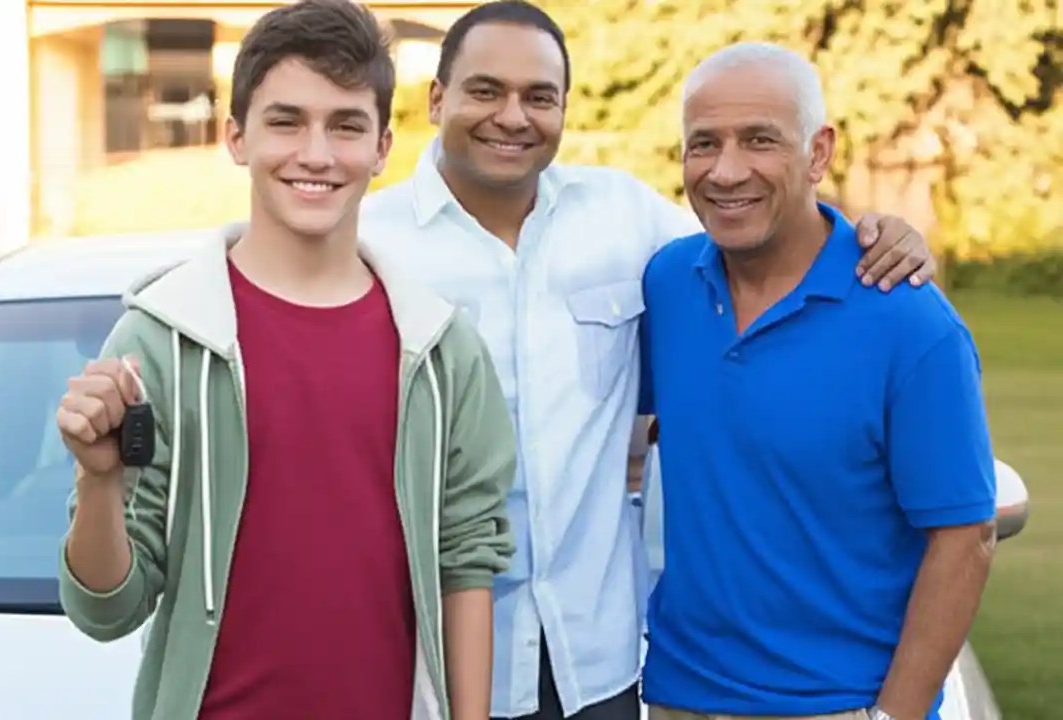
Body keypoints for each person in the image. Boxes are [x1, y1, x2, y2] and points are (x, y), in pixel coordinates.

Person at [360, 2, 941, 718]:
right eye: (486, 90)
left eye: (539, 97)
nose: (513, 116)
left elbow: (767, 226)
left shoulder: (625, 219)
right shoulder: (366, 244)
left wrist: (876, 235)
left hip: (598, 668)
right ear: (438, 98)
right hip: (428, 671)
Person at [55, 2, 517, 719]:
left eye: (346, 125)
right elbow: (107, 611)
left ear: (384, 146)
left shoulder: (441, 351)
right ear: (236, 137)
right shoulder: (158, 343)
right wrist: (100, 481)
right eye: (286, 121)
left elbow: (467, 565)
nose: (316, 154)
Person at [638, 41, 997, 720]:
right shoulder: (668, 284)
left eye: (759, 141)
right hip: (677, 695)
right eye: (703, 143)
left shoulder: (912, 325)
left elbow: (964, 539)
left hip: (838, 705)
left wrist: (891, 717)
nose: (726, 170)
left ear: (819, 153)